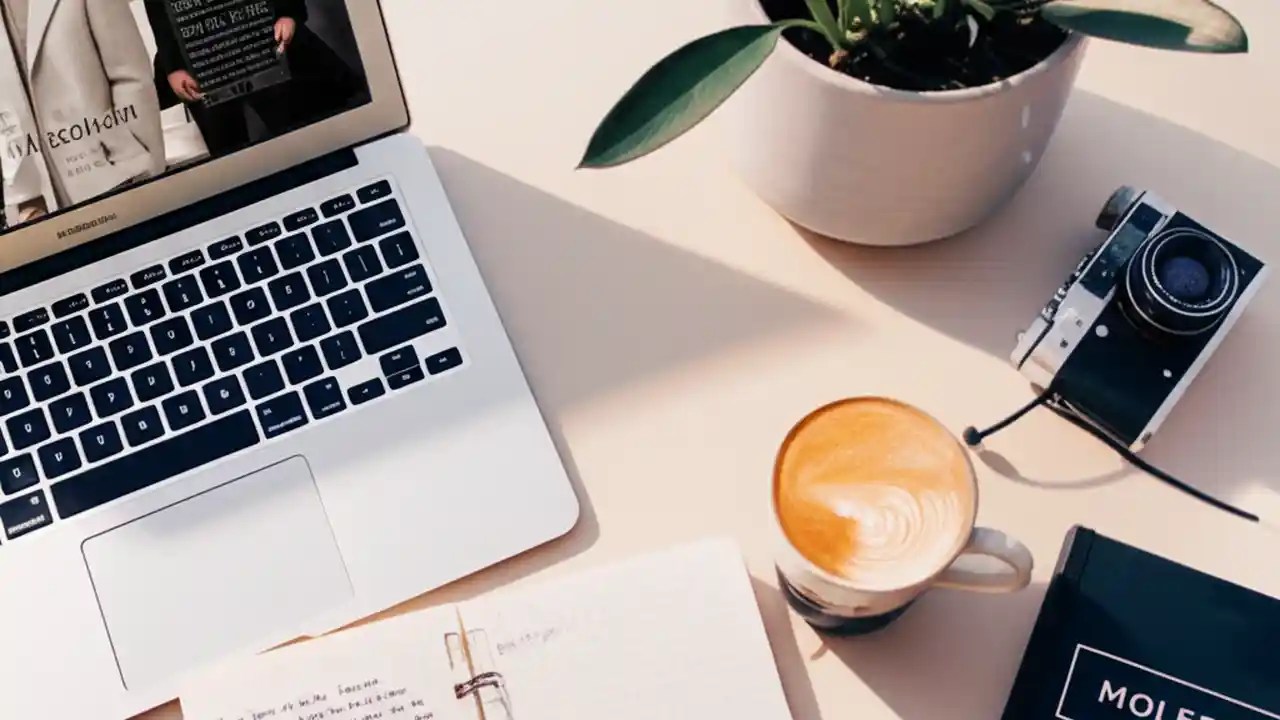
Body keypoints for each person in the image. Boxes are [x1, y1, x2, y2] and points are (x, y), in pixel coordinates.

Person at [2, 0, 165, 212]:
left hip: (117, 177)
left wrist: (144, 165)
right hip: (37, 210)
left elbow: (129, 76)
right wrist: (24, 204)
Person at [145, 0, 363, 159]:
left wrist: (288, 13)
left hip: (259, 30)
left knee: (304, 133)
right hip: (197, 50)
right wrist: (174, 66)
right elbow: (157, 8)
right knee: (227, 151)